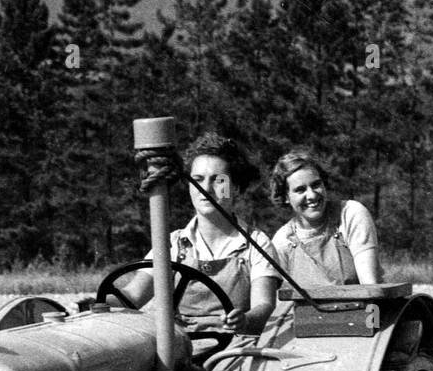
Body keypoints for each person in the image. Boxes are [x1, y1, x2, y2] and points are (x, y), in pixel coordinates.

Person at [123, 133, 278, 335]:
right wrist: (95, 304)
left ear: (236, 188)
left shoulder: (257, 244)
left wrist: (245, 320)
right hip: (179, 350)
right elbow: (131, 296)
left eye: (218, 180)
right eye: (197, 179)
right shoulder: (172, 244)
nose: (206, 189)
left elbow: (263, 305)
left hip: (236, 349)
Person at [268, 150, 381, 289]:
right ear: (285, 197)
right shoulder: (282, 241)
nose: (312, 195)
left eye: (316, 185)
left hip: (361, 307)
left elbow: (371, 286)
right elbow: (280, 300)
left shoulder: (350, 214)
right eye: (300, 190)